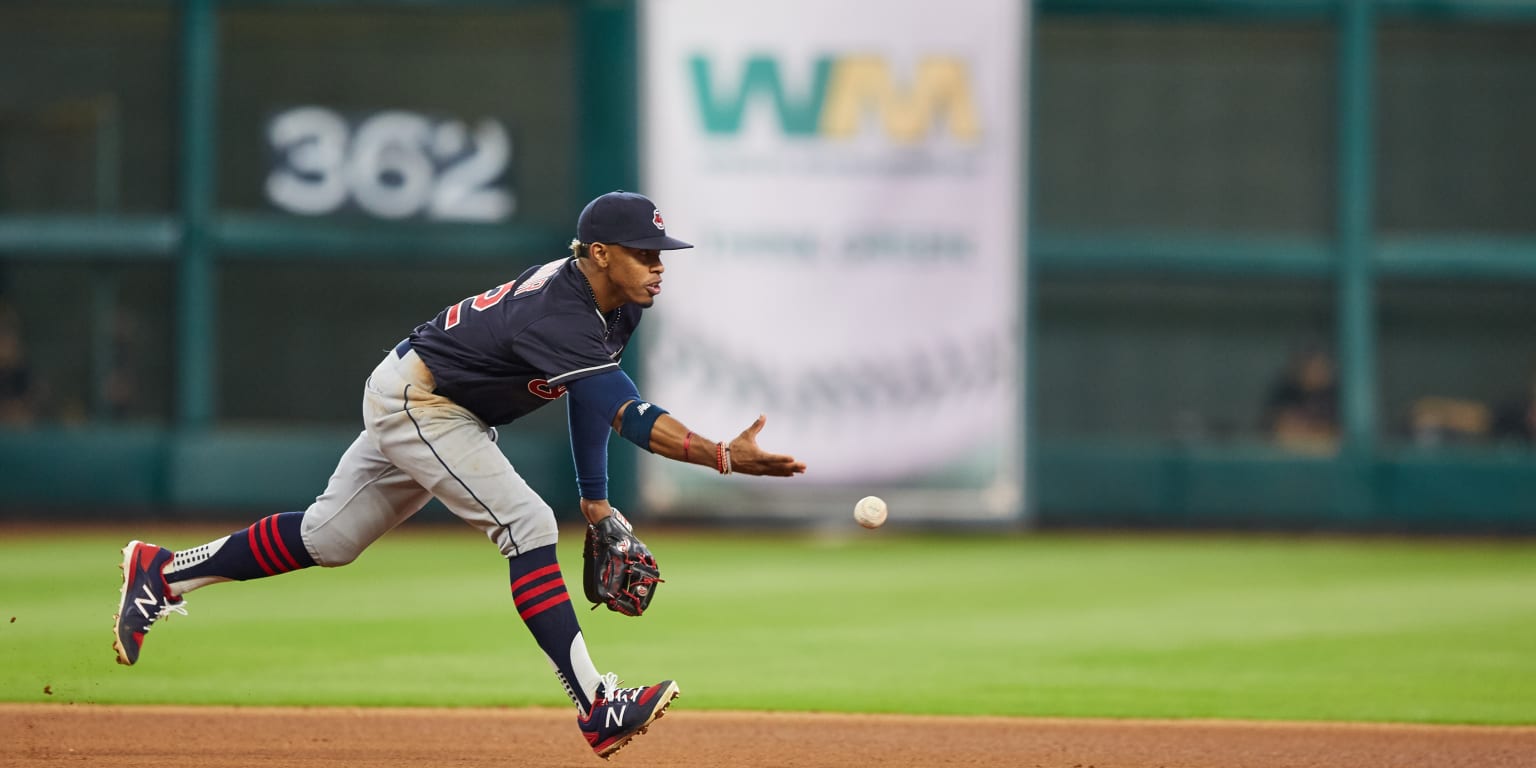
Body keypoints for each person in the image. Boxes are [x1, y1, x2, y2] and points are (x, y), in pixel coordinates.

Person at [112, 191, 807, 759]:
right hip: (421, 399)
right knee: (528, 523)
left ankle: (162, 573)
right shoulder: (559, 311)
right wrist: (720, 454)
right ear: (600, 254)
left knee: (329, 538)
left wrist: (595, 504)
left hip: (435, 402)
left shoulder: (615, 306)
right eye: (644, 254)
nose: (659, 266)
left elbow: (590, 401)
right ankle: (598, 705)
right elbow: (628, 414)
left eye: (661, 255)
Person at [1262, 347, 1339, 453]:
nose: (1313, 371)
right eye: (1308, 366)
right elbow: (1279, 431)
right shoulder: (1286, 392)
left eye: (1318, 366)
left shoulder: (1338, 397)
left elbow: (1340, 436)